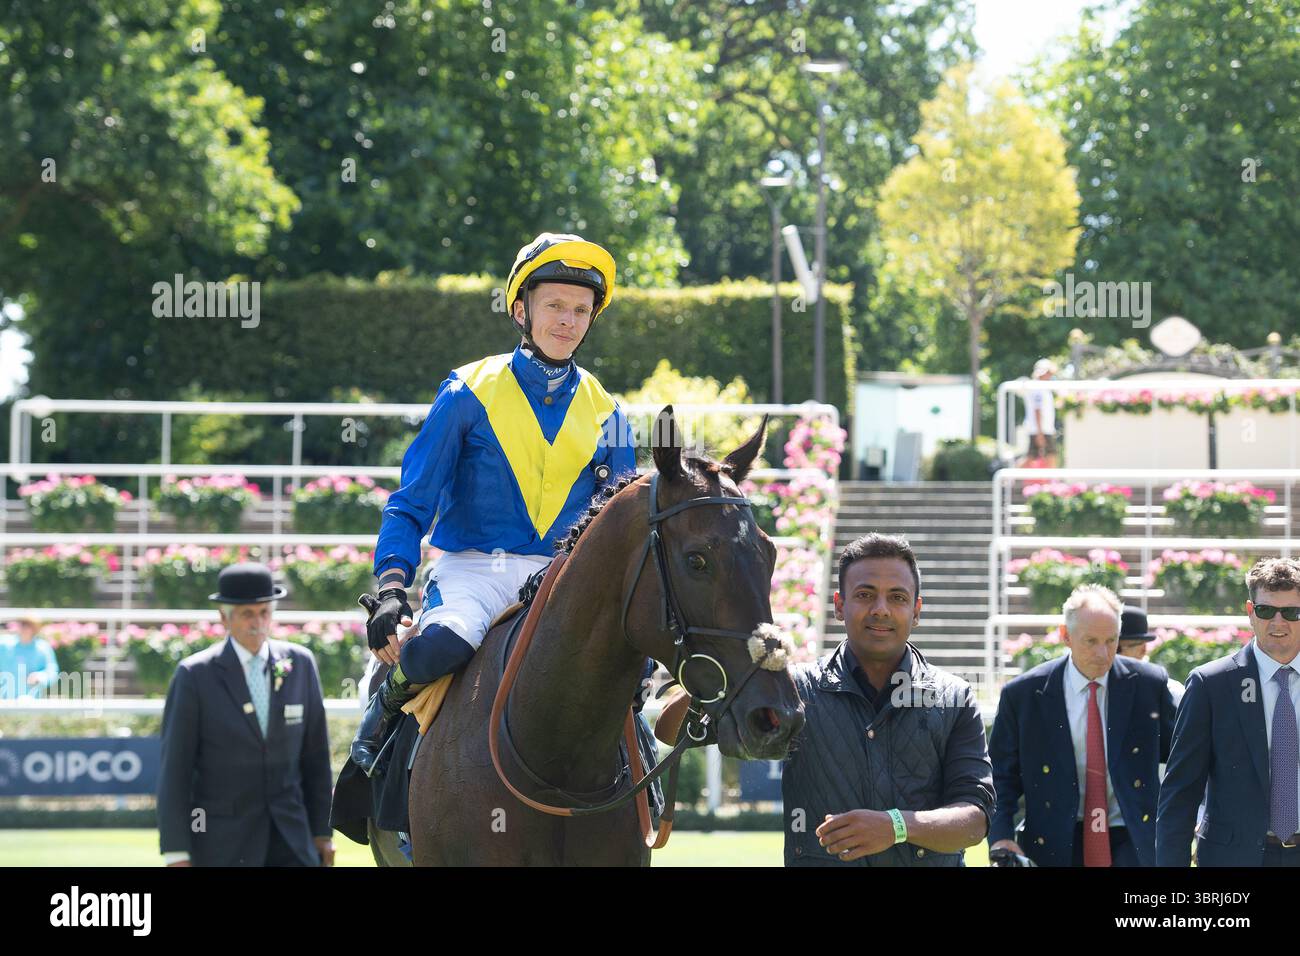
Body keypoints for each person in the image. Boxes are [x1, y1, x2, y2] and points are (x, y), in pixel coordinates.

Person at [350, 231, 638, 772]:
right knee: (440, 649)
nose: (568, 321)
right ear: (521, 309)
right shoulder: (466, 391)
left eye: (580, 310)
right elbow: (412, 501)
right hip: (474, 573)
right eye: (554, 305)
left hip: (560, 581)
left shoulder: (612, 415)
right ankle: (379, 722)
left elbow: (622, 531)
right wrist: (391, 586)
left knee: (623, 673)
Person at [781, 533, 994, 866]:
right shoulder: (795, 689)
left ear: (916, 610)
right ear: (839, 605)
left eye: (897, 597)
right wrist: (728, 676)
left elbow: (975, 821)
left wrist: (897, 826)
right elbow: (673, 732)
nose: (881, 610)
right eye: (865, 594)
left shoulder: (955, 697)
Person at [157, 563, 334, 866]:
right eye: (247, 614)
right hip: (222, 846)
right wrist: (176, 852)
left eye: (264, 612)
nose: (258, 622)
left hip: (293, 842)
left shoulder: (300, 664)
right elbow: (176, 770)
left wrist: (322, 833)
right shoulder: (194, 675)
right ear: (223, 617)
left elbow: (316, 758)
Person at [989, 585, 1176, 866]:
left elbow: (1184, 758)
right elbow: (1001, 776)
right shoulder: (1023, 695)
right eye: (1091, 641)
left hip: (1133, 837)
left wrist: (1187, 822)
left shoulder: (1149, 685)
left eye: (1111, 641)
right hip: (1054, 839)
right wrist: (1001, 835)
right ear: (1066, 636)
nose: (1102, 653)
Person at [1157, 557, 1300, 867]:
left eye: (1291, 612)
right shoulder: (1211, 684)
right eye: (1266, 611)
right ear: (1250, 612)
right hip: (1234, 858)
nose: (1278, 622)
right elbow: (1180, 792)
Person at [1117, 605, 1185, 705]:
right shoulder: (1095, 689)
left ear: (1143, 649)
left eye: (1118, 649)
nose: (1106, 653)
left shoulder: (1172, 692)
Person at [0, 618, 59, 699]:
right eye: (23, 624)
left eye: (29, 625)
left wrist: (40, 676)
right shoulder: (4, 645)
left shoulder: (43, 648)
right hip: (4, 700)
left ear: (35, 629)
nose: (25, 628)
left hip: (31, 700)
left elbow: (52, 671)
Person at [1019, 358, 1058, 467]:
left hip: (1041, 429)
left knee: (1034, 457)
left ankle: (1009, 479)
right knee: (1048, 456)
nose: (1050, 376)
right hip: (1040, 429)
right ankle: (1008, 479)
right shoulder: (1038, 388)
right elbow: (1037, 410)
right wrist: (1040, 432)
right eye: (1048, 373)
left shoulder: (1041, 387)